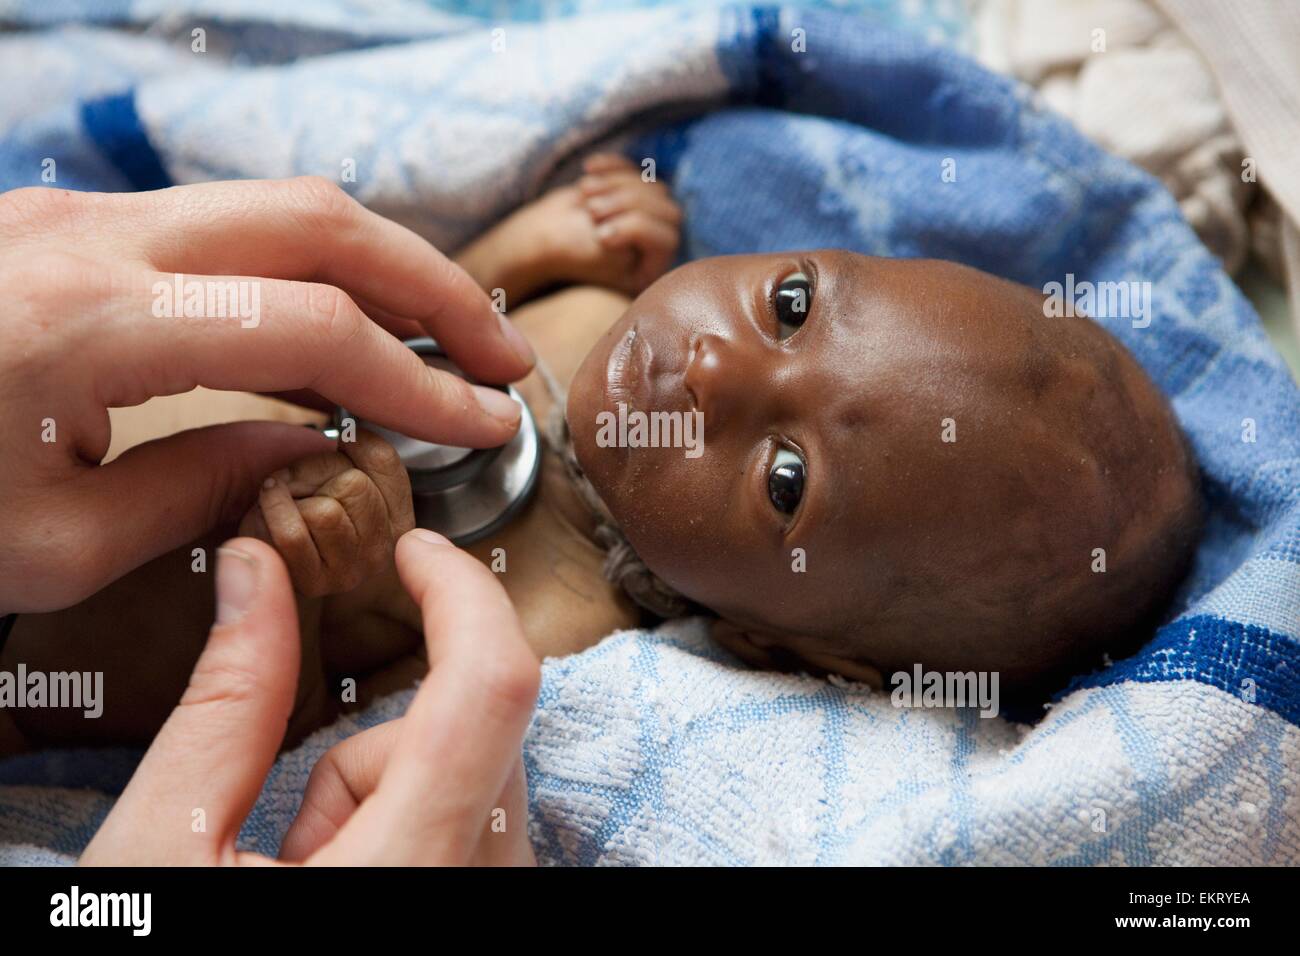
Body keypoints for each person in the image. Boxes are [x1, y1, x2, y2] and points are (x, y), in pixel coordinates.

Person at [0, 176, 541, 864]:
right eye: (728, 288)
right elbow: (423, 332)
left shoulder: (560, 625)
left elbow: (328, 733)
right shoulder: (591, 321)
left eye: (728, 466)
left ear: (730, 635)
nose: (711, 357)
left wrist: (300, 590)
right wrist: (516, 258)